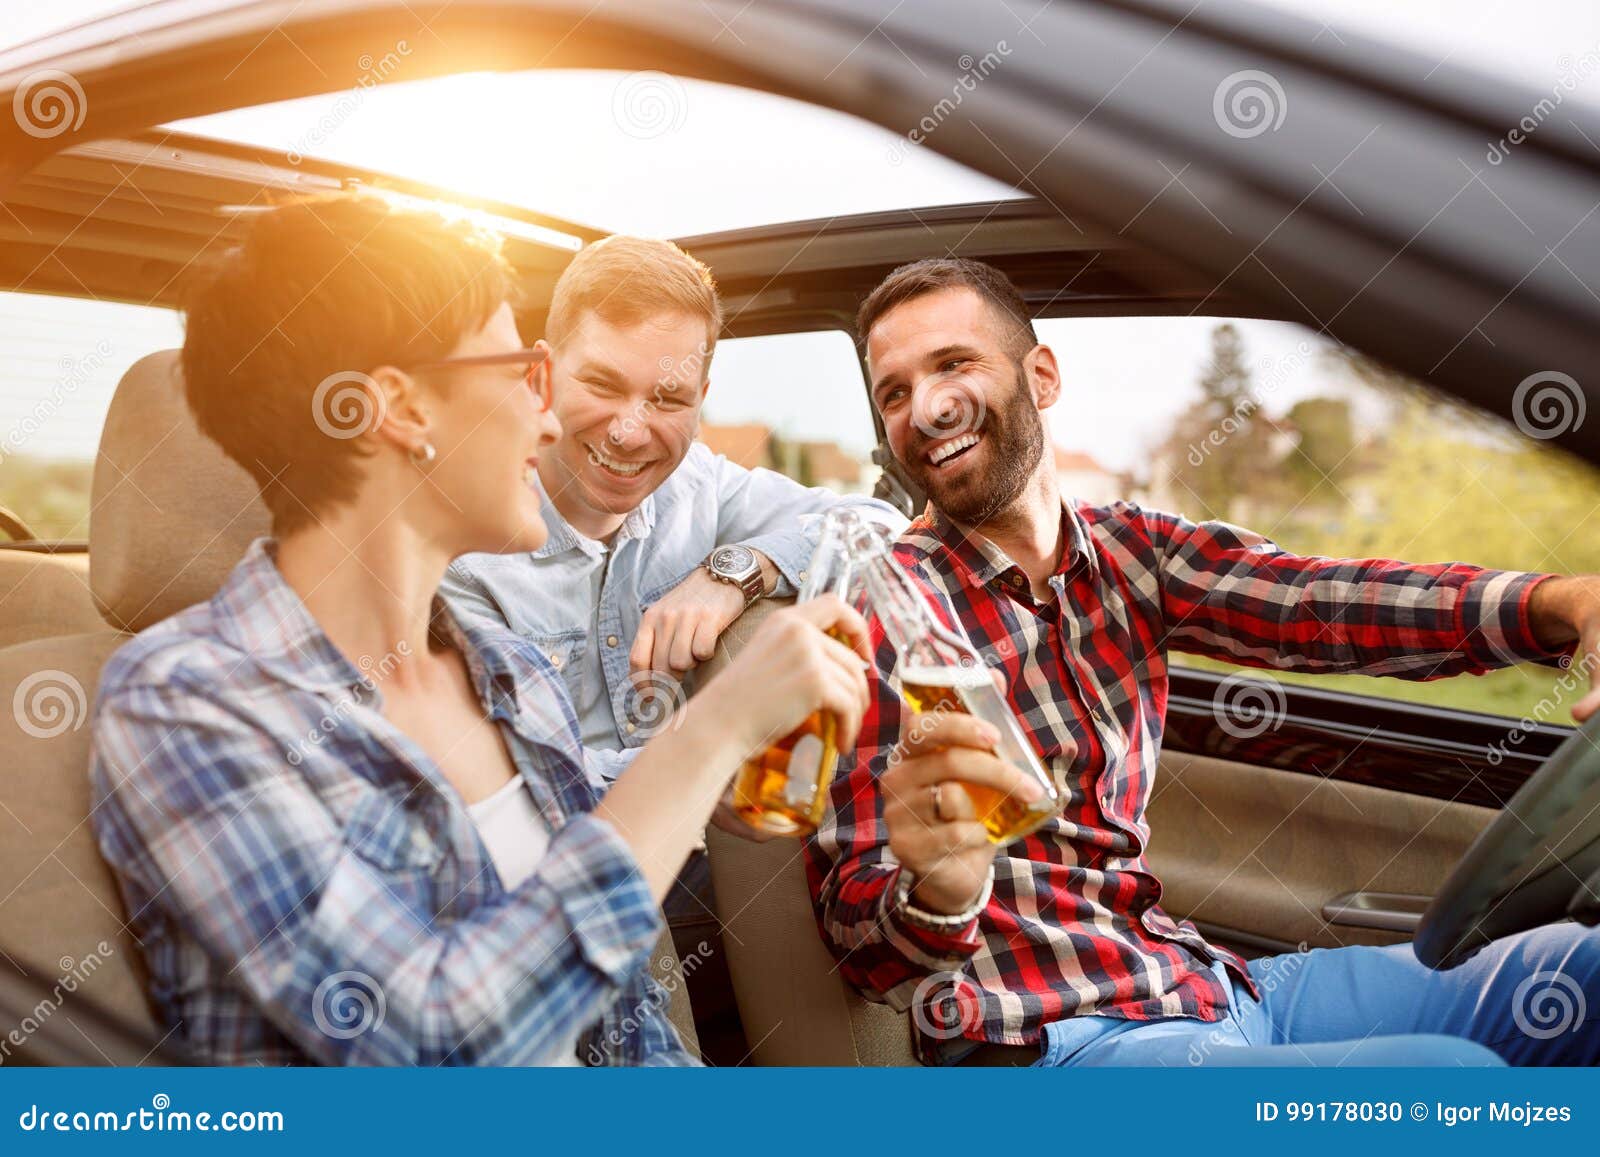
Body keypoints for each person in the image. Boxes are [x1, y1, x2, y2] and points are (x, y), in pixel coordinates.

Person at [87, 194, 872, 1066]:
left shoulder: (500, 672)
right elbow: (434, 1042)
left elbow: (625, 1014)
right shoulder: (187, 703)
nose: (547, 420)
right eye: (517, 374)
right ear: (400, 408)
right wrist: (713, 728)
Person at [806, 256, 1600, 1067]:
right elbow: (856, 930)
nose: (926, 409)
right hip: (1060, 1046)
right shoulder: (882, 611)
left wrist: (1566, 606)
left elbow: (1320, 605)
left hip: (1205, 986)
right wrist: (938, 891)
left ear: (1040, 377)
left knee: (1583, 969)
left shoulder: (1134, 551)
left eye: (953, 364)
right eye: (893, 393)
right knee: (1450, 1083)